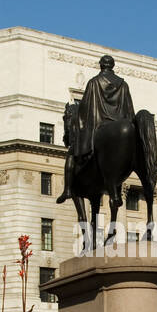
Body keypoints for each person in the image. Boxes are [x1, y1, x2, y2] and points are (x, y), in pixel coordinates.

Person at [56, 55, 135, 203]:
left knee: (71, 153)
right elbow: (129, 110)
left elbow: (85, 109)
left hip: (99, 128)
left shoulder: (94, 82)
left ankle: (67, 189)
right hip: (121, 130)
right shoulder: (123, 85)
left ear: (101, 65)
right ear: (112, 66)